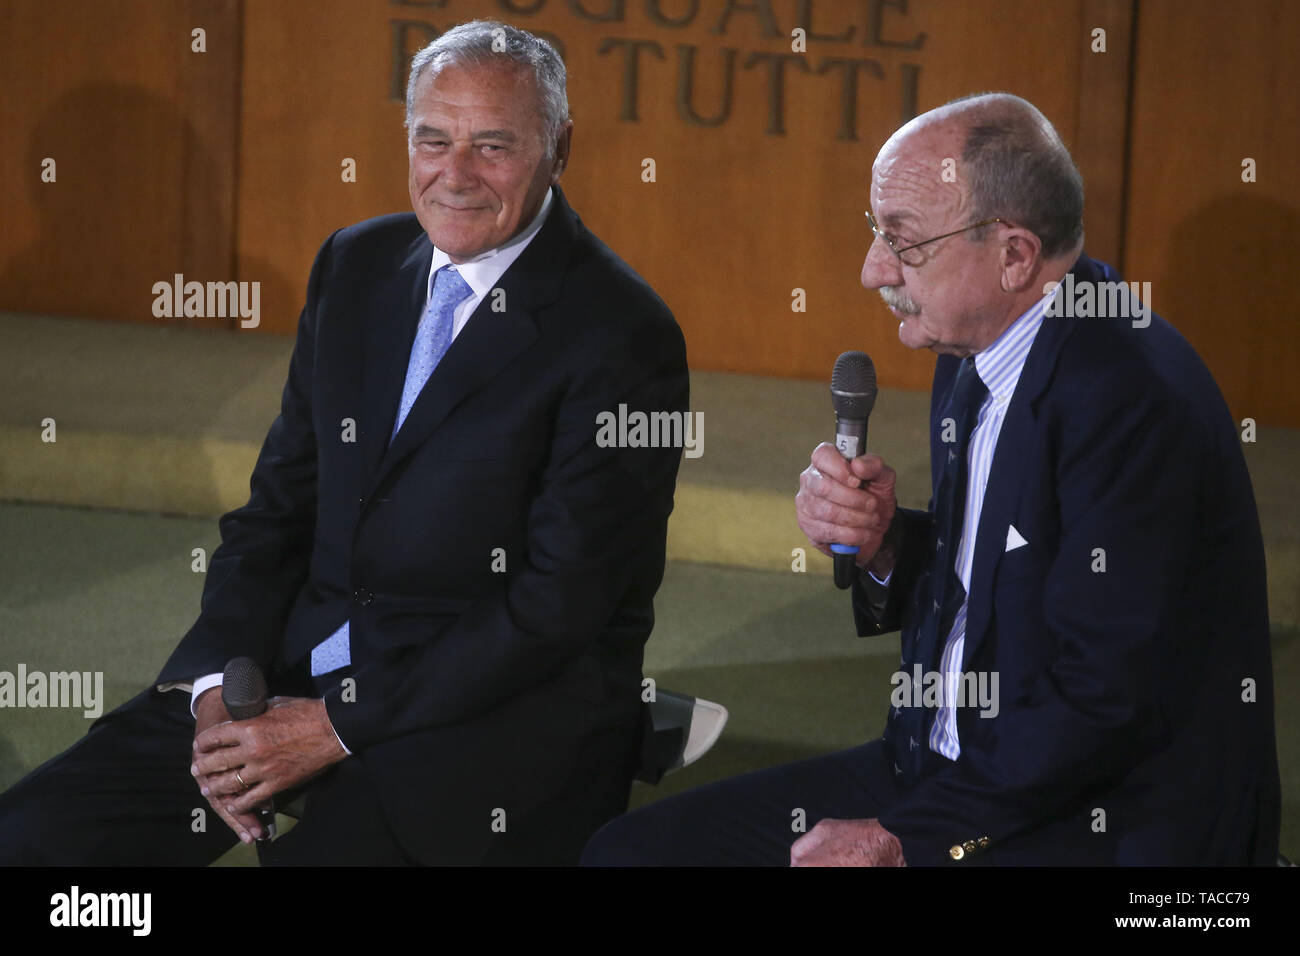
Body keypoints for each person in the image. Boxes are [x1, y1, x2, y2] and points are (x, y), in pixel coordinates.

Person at [0, 20, 689, 865]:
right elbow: (276, 510)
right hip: (299, 667)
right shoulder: (355, 265)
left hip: (485, 716)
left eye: (493, 146)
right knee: (31, 840)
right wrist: (217, 683)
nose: (456, 175)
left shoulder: (623, 335)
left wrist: (333, 726)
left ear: (561, 146)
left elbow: (554, 609)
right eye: (433, 140)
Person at [582, 92, 1281, 866]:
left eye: (904, 242)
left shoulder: (1130, 402)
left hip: (1097, 819)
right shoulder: (974, 352)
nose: (872, 269)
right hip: (942, 772)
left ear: (1015, 255)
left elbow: (1104, 696)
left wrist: (905, 838)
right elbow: (998, 589)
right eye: (876, 232)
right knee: (633, 856)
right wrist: (886, 544)